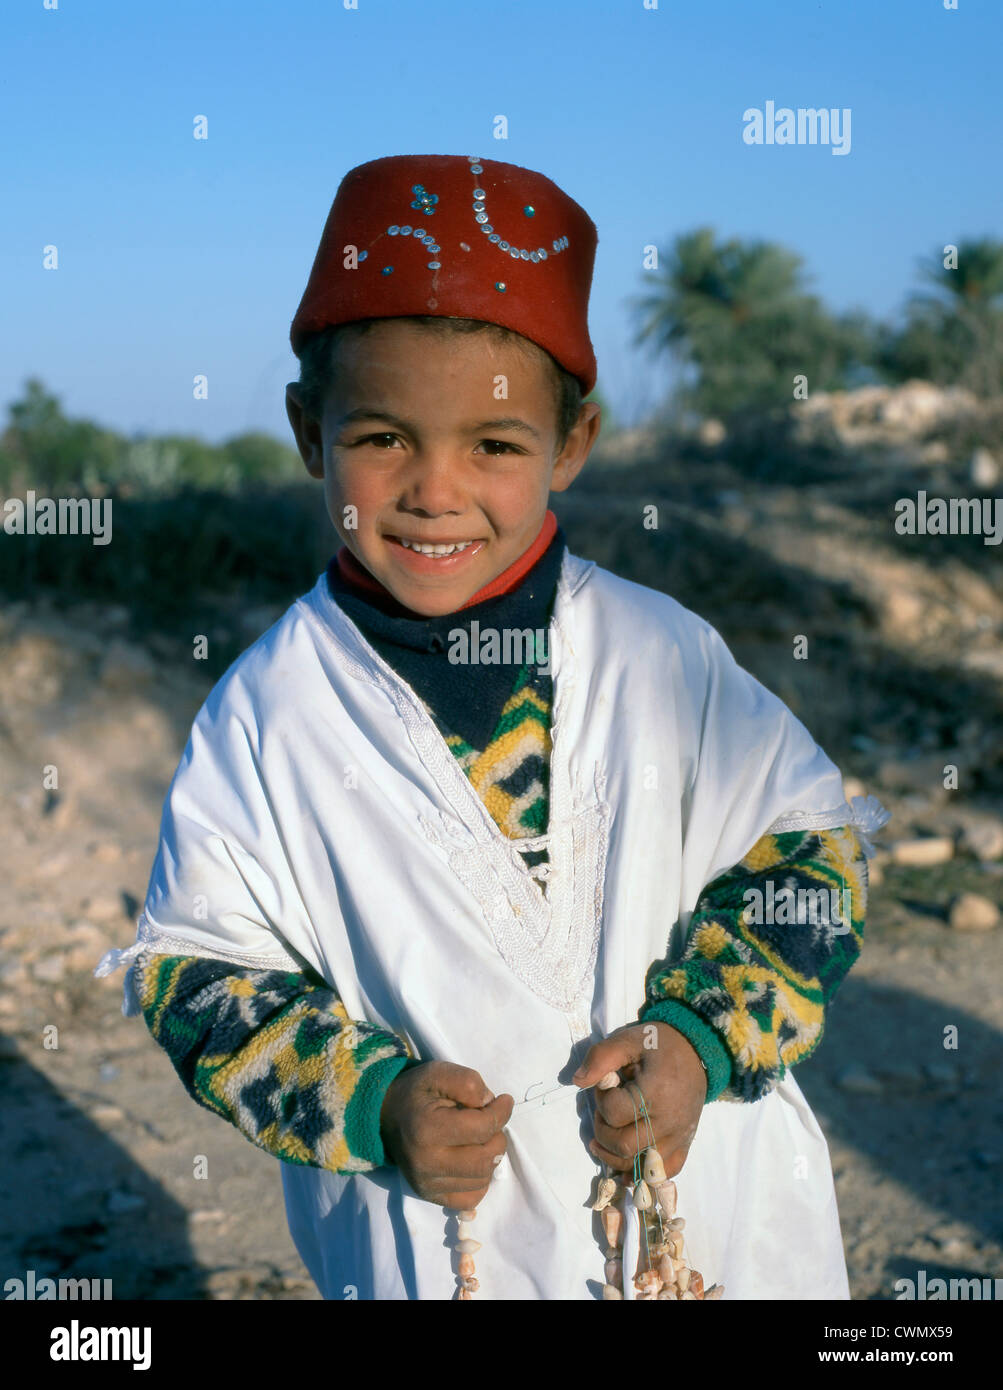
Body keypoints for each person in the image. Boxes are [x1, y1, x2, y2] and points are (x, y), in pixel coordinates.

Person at [96, 153, 887, 1301]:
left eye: (495, 445)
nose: (433, 487)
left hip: (712, 1227)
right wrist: (368, 1102)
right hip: (442, 1249)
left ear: (571, 445)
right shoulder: (266, 715)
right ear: (308, 432)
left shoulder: (661, 654)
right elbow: (198, 972)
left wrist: (702, 1041)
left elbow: (815, 855)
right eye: (382, 438)